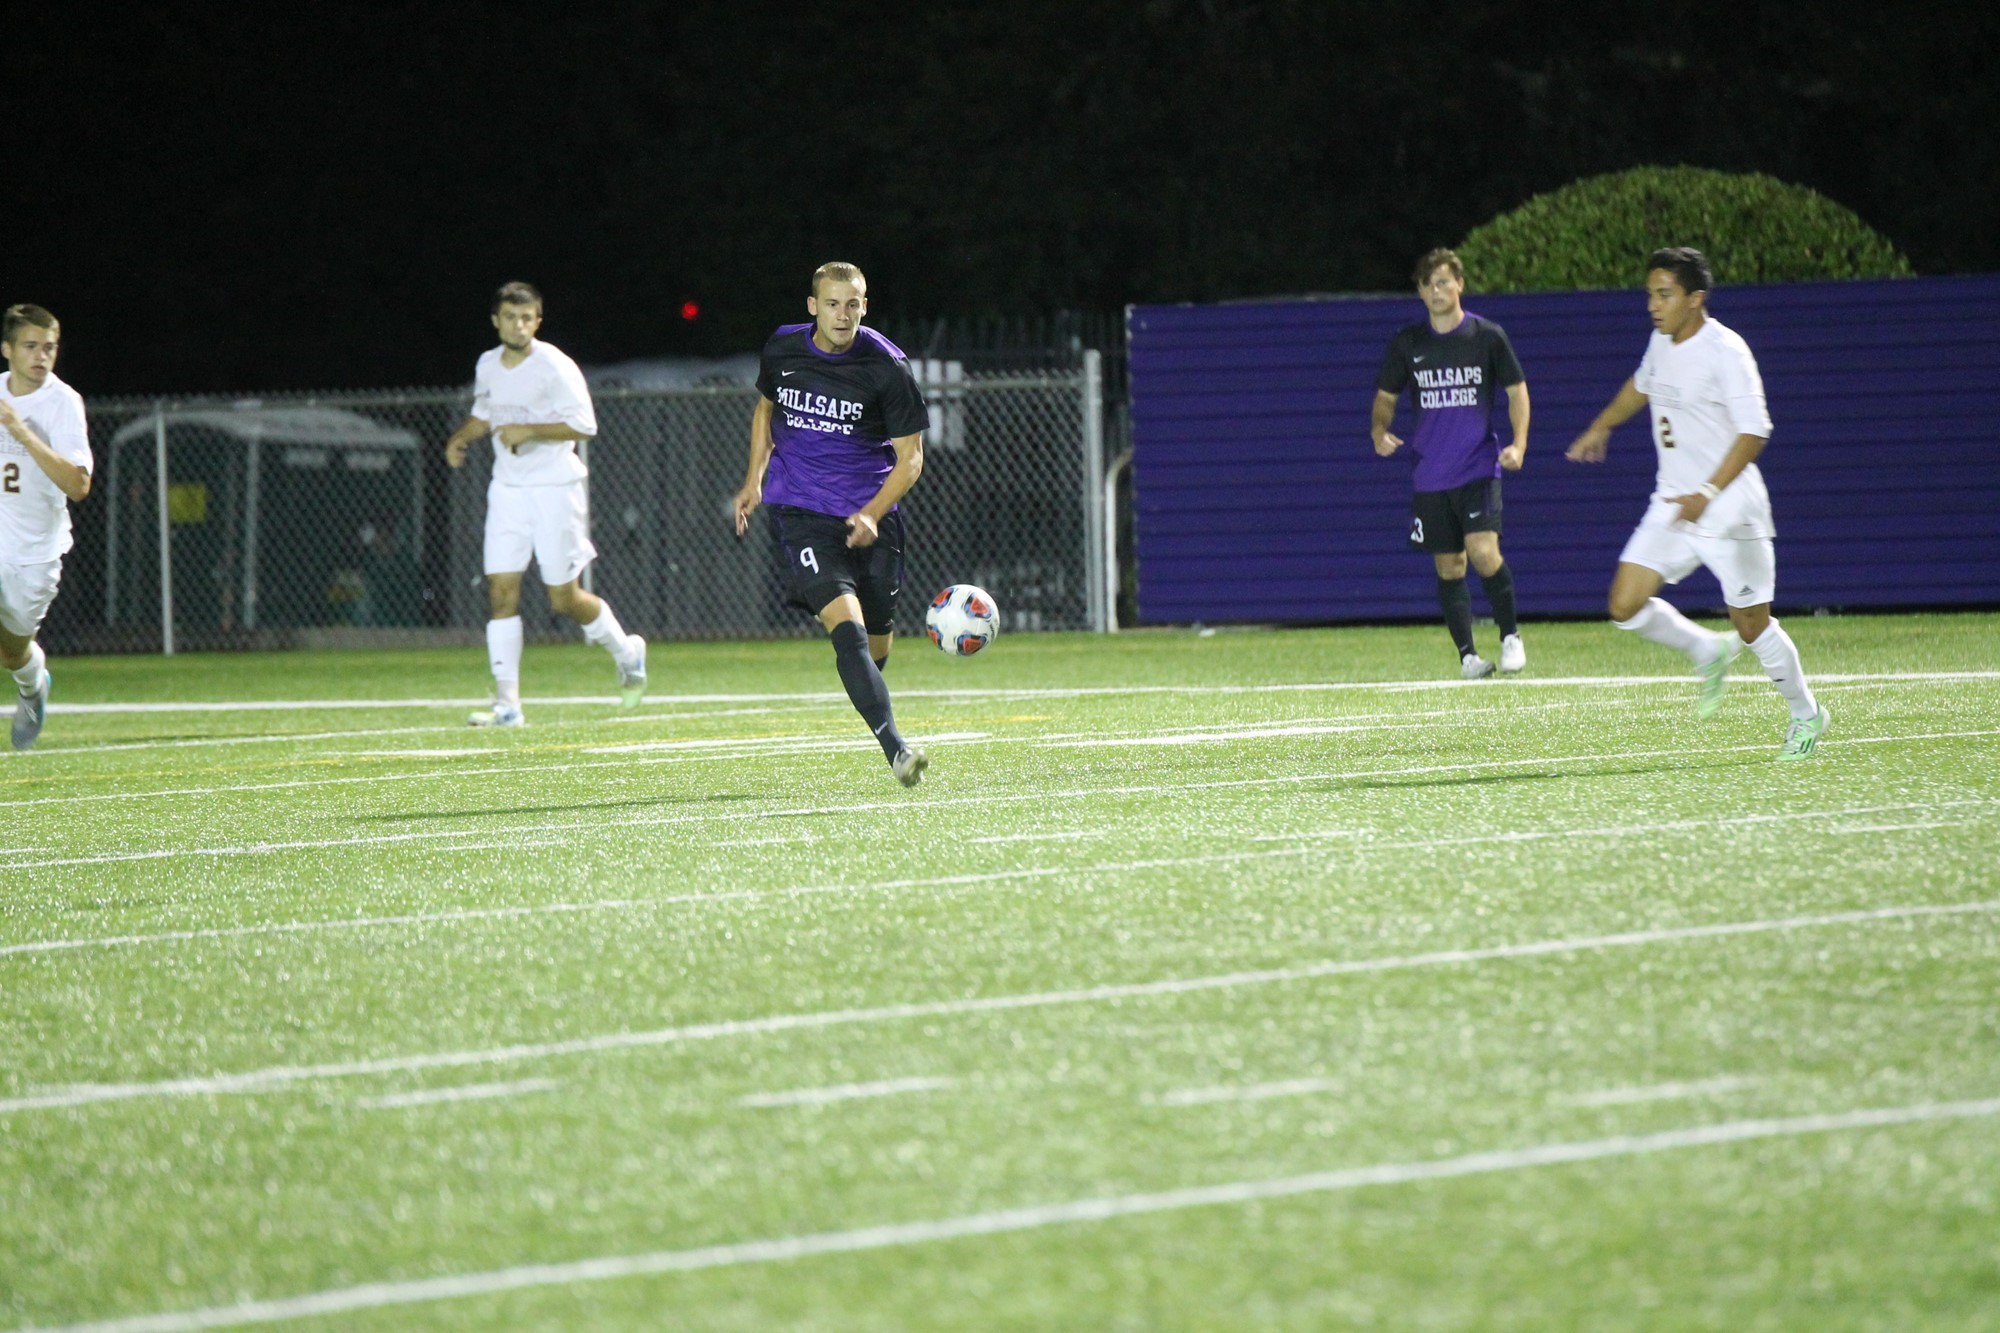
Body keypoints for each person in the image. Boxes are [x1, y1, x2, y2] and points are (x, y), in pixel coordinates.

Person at [1566, 247, 1829, 760]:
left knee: (1752, 625)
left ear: (1695, 298)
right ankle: (1705, 649)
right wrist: (1601, 425)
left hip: (1729, 507)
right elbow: (1639, 387)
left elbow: (1756, 431)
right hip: (1672, 502)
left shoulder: (1726, 351)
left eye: (1664, 294)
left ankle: (1807, 714)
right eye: (1650, 294)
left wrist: (1707, 494)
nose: (1653, 305)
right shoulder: (1660, 343)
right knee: (1623, 604)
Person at [733, 261, 931, 786]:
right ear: (812, 307)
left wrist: (871, 511)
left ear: (865, 307)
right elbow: (764, 409)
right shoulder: (783, 349)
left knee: (877, 637)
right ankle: (896, 749)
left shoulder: (886, 367)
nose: (842, 315)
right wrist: (755, 479)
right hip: (801, 513)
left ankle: (865, 688)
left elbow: (911, 458)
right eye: (832, 304)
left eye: (853, 304)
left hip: (873, 516)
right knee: (848, 633)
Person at [443, 281, 645, 726]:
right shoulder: (488, 364)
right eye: (511, 316)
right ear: (496, 320)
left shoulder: (555, 365)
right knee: (500, 593)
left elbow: (585, 425)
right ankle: (507, 705)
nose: (519, 324)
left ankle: (626, 651)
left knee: (563, 598)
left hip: (555, 489)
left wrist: (530, 430)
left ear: (537, 320)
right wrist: (460, 438)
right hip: (508, 492)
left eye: (527, 317)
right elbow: (485, 414)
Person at [1371, 247, 1531, 678]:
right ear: (1420, 293)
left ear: (1460, 284)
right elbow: (1385, 398)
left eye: (1444, 281)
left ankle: (1511, 635)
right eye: (1428, 284)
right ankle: (1468, 657)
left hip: (1478, 466)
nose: (1436, 290)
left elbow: (1518, 391)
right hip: (1431, 474)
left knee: (1482, 549)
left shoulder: (1487, 336)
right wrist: (1378, 431)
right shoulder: (1408, 343)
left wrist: (1519, 444)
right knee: (1449, 564)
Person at [0, 304, 91, 750]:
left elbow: (78, 484)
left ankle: (33, 684)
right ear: (7, 349)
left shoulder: (62, 403)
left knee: (11, 652)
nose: (41, 357)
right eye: (31, 346)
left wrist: (22, 431)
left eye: (49, 348)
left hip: (35, 553)